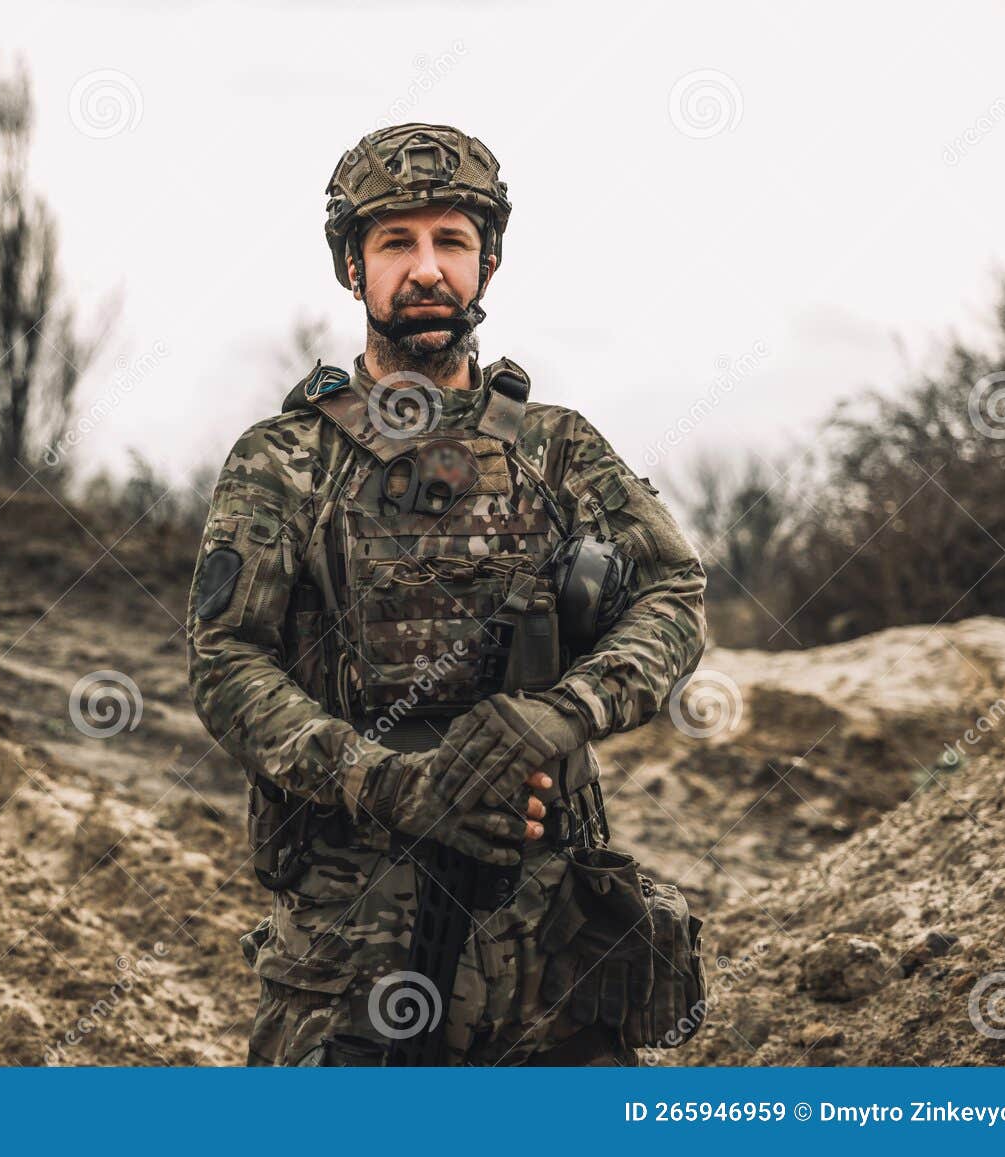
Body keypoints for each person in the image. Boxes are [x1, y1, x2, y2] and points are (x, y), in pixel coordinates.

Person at [186, 123, 708, 1066]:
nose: (426, 269)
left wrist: (564, 713)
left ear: (489, 259)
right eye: (396, 243)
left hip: (551, 924)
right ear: (354, 266)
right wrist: (384, 780)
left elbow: (674, 591)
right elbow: (226, 662)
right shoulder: (283, 459)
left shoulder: (559, 447)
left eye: (452, 241)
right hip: (356, 932)